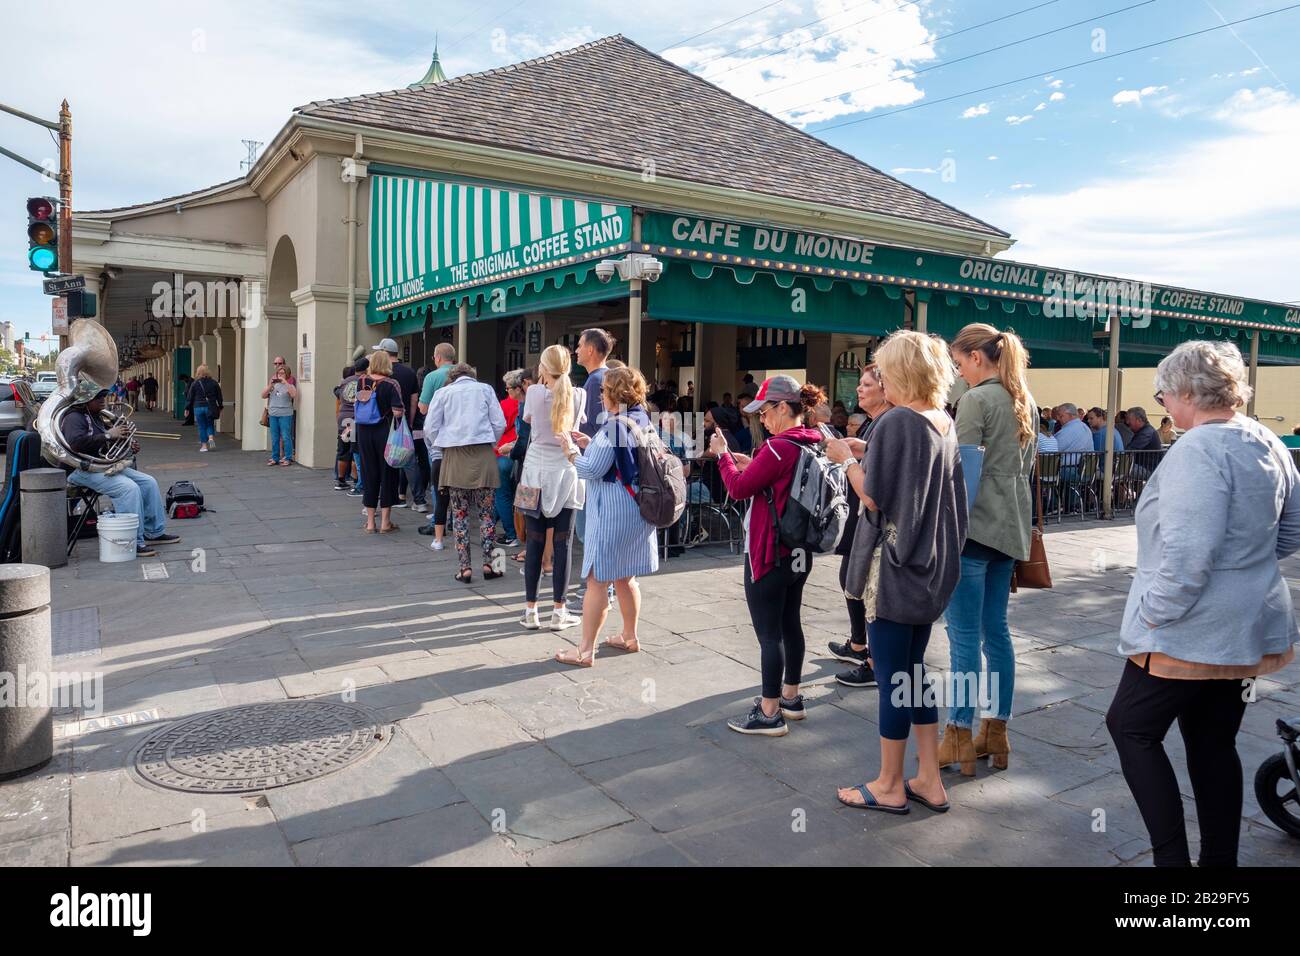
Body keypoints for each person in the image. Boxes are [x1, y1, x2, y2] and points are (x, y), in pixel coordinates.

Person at [1106, 340, 1300, 867]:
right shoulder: (1266, 438)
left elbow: (1190, 556)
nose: (1163, 403)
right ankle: (1219, 865)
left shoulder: (1197, 449)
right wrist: (1247, 566)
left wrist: (1152, 612)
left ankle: (1173, 867)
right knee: (1213, 742)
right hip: (1249, 621)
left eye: (1164, 392)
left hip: (1190, 628)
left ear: (1190, 391)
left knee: (1130, 727)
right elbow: (1290, 534)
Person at [828, 330, 967, 814]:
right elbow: (912, 477)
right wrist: (868, 455)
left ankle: (889, 783)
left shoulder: (898, 421)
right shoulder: (939, 419)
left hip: (894, 571)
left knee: (891, 678)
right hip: (930, 569)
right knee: (914, 674)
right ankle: (928, 777)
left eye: (885, 368)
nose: (880, 377)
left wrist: (847, 461)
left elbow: (875, 497)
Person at [932, 324, 1038, 775]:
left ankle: (957, 733)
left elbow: (964, 473)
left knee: (963, 637)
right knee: (997, 633)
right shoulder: (1024, 398)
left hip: (975, 530)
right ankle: (996, 731)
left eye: (958, 363)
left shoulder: (976, 399)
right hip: (1012, 530)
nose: (958, 373)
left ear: (977, 357)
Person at [710, 376, 825, 734]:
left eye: (764, 411)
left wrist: (723, 457)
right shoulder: (814, 441)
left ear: (782, 408)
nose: (760, 418)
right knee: (791, 621)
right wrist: (751, 462)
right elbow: (773, 479)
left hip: (769, 549)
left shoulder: (778, 448)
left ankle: (769, 710)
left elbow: (739, 488)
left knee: (768, 633)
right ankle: (791, 697)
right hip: (800, 549)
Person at [556, 366, 659, 665]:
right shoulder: (641, 419)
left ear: (614, 393)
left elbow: (590, 470)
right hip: (638, 508)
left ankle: (585, 650)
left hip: (613, 509)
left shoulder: (613, 426)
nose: (600, 396)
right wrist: (591, 446)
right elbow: (619, 458)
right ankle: (629, 636)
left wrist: (571, 450)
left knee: (597, 580)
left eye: (603, 391)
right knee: (626, 577)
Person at [827, 364, 892, 689]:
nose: (859, 389)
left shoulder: (889, 422)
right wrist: (862, 449)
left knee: (864, 587)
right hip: (866, 521)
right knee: (853, 580)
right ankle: (862, 649)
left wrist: (848, 459)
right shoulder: (877, 423)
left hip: (876, 524)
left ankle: (871, 659)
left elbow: (873, 494)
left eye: (867, 384)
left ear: (886, 388)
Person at [61, 389, 181, 557]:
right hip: (81, 469)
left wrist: (127, 447)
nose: (103, 400)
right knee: (128, 488)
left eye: (103, 396)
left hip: (101, 466)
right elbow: (76, 444)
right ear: (85, 400)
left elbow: (104, 446)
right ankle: (132, 541)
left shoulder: (96, 416)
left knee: (148, 482)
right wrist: (108, 435)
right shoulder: (74, 418)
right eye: (98, 397)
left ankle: (154, 532)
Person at [519, 346, 587, 630]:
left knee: (533, 543)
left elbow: (529, 423)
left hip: (534, 472)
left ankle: (531, 611)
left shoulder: (534, 393)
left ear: (543, 368)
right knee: (564, 544)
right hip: (566, 472)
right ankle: (559, 611)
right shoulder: (579, 394)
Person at [424, 363, 507, 583]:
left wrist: (440, 446)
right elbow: (499, 423)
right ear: (473, 375)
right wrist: (490, 443)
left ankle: (465, 568)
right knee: (487, 514)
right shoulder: (486, 389)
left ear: (452, 377)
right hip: (483, 454)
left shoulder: (443, 393)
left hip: (454, 456)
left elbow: (430, 427)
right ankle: (492, 565)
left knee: (459, 515)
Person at [354, 349, 406, 533]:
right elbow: (398, 411)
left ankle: (370, 523)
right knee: (387, 474)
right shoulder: (392, 384)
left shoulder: (361, 381)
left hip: (364, 431)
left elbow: (357, 402)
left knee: (369, 473)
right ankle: (385, 523)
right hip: (384, 431)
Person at [374, 337, 424, 512]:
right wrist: (409, 422)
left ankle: (388, 496)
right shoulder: (409, 373)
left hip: (381, 423)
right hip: (401, 421)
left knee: (383, 460)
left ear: (384, 353)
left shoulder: (379, 374)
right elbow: (413, 400)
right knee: (408, 460)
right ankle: (419, 499)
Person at [417, 342, 457, 548]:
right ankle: (453, 518)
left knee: (438, 478)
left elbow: (423, 408)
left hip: (438, 434)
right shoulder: (464, 374)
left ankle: (438, 521)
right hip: (460, 436)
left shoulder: (432, 377)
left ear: (438, 358)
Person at [494, 369, 527, 548]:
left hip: (504, 453)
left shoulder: (506, 404)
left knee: (502, 495)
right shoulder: (528, 403)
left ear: (516, 388)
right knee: (517, 497)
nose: (507, 391)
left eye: (508, 388)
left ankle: (511, 534)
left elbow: (498, 426)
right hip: (522, 457)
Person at [262, 365, 296, 466]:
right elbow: (263, 395)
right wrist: (269, 386)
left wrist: (285, 382)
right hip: (273, 413)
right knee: (274, 437)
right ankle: (275, 457)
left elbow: (294, 394)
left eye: (282, 373)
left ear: (287, 375)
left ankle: (288, 457)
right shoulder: (273, 386)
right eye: (278, 373)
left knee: (286, 436)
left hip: (285, 414)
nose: (280, 375)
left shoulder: (290, 385)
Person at [186, 365, 223, 453]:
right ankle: (210, 437)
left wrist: (187, 408)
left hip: (198, 407)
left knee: (202, 427)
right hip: (210, 407)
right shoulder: (214, 383)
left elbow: (190, 397)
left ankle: (204, 446)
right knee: (210, 424)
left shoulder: (195, 383)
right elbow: (219, 396)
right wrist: (220, 406)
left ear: (198, 372)